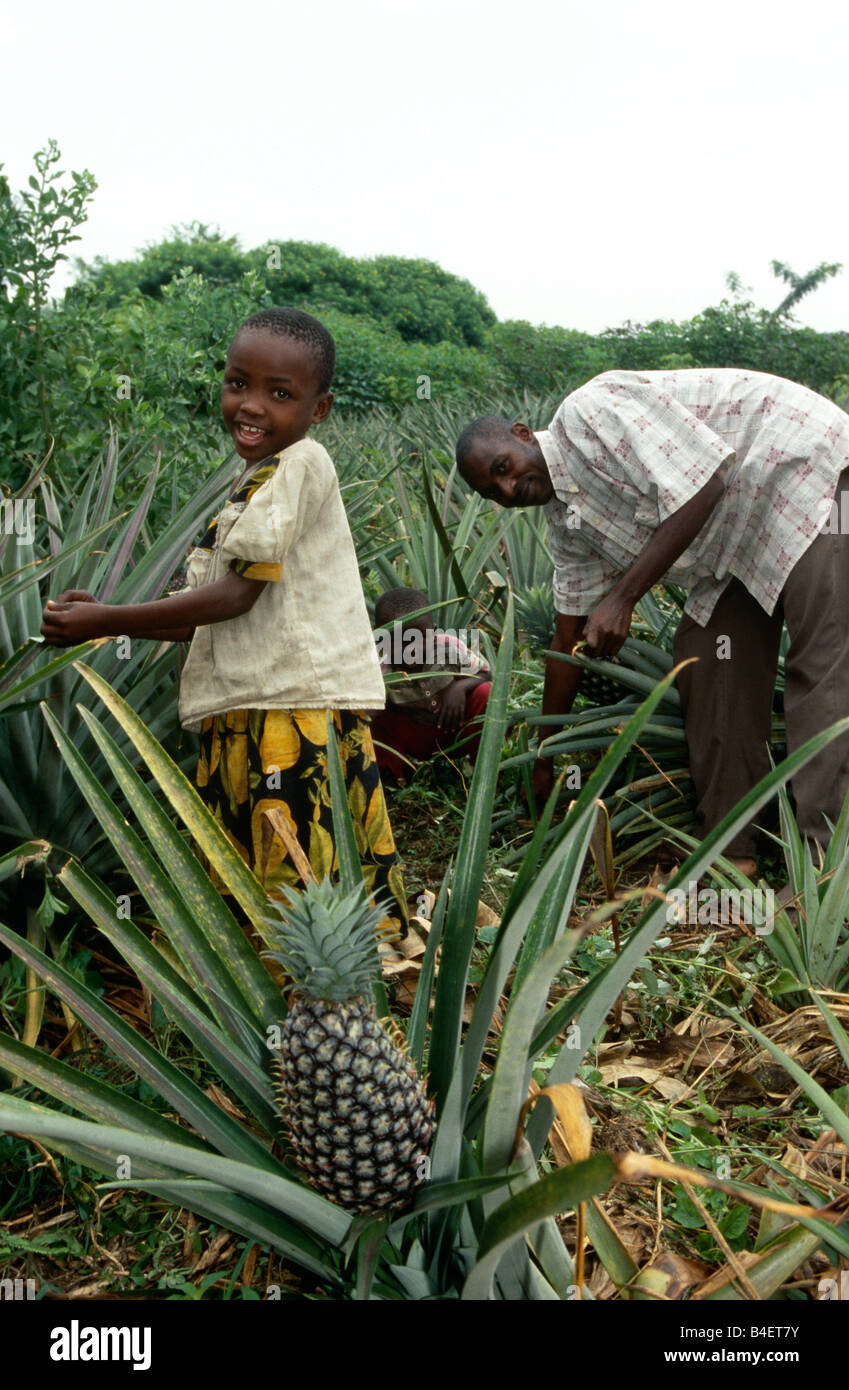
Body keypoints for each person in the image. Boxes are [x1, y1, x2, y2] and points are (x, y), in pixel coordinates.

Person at [41, 306, 408, 944]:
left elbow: (236, 596)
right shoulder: (257, 479)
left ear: (318, 410)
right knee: (268, 863)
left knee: (292, 865)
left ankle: (306, 1006)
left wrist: (108, 617)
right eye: (239, 382)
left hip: (292, 706)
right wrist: (102, 617)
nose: (253, 405)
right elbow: (201, 615)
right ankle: (278, 997)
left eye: (281, 393)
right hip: (254, 701)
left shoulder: (300, 465)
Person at [455, 367, 849, 879]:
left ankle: (827, 874)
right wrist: (545, 755)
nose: (509, 488)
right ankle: (733, 852)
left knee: (824, 667)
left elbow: (705, 484)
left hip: (800, 471)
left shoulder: (588, 414)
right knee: (706, 662)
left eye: (504, 466)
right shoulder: (568, 526)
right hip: (736, 536)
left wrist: (622, 597)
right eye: (494, 490)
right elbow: (568, 636)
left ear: (523, 434)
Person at [369, 587, 491, 782]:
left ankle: (487, 772)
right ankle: (391, 777)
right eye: (398, 642)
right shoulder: (380, 666)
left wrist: (459, 687)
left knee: (486, 693)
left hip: (456, 729)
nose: (410, 650)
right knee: (371, 716)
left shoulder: (449, 647)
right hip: (415, 738)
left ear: (433, 633)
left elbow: (486, 675)